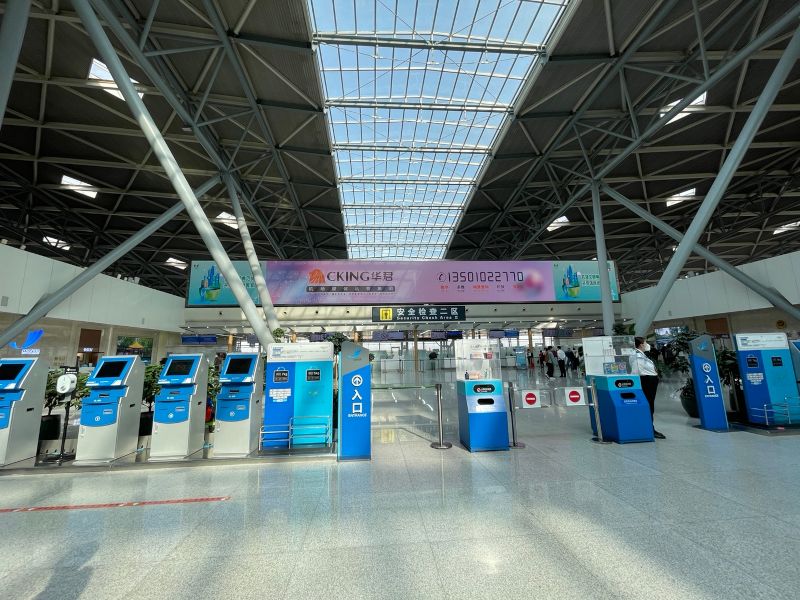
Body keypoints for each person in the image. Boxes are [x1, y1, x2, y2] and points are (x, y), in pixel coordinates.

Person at [634, 336, 665, 439]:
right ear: (641, 344)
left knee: (650, 405)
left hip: (649, 381)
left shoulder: (641, 355)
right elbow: (639, 371)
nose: (647, 345)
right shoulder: (637, 356)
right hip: (646, 382)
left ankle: (649, 427)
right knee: (649, 405)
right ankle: (650, 429)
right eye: (645, 342)